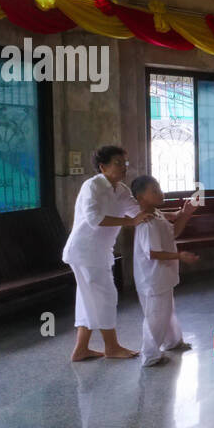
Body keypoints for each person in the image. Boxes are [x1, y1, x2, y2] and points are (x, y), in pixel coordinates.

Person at [62, 146, 153, 362]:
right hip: (85, 252)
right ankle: (111, 347)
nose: (124, 168)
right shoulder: (92, 186)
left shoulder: (120, 189)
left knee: (88, 301)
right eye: (118, 163)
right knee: (106, 297)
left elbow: (137, 212)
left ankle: (81, 349)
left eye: (125, 163)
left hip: (99, 253)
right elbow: (95, 219)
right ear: (102, 167)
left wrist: (171, 214)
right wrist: (129, 222)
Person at [130, 175, 198, 367]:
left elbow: (173, 232)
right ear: (141, 197)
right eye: (154, 190)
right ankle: (150, 355)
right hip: (151, 278)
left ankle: (173, 341)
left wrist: (186, 213)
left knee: (166, 311)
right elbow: (153, 253)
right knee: (155, 316)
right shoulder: (147, 222)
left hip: (161, 276)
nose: (160, 192)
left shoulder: (157, 214)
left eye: (159, 188)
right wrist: (180, 257)